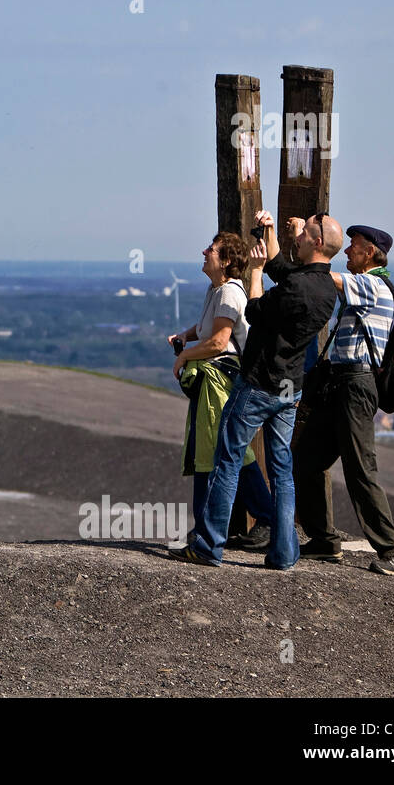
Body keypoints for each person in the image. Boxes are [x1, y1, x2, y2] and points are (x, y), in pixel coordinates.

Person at [169, 210, 342, 569]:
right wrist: (273, 231)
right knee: (281, 470)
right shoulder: (325, 287)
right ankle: (284, 553)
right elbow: (285, 268)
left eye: (305, 232)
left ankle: (208, 545)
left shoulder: (294, 286)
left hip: (260, 382)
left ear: (317, 242)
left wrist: (258, 272)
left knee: (226, 459)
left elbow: (257, 309)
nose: (299, 235)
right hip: (290, 388)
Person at [293, 225, 394, 575]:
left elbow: (328, 279)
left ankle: (393, 550)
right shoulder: (368, 286)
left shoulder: (374, 285)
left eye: (353, 247)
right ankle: (323, 540)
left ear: (370, 253)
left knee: (360, 469)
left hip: (357, 384)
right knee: (307, 460)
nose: (347, 252)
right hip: (339, 383)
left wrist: (312, 246)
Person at [168, 232, 276, 550]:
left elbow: (218, 342)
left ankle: (217, 527)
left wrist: (185, 356)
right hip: (216, 380)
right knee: (224, 450)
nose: (204, 252)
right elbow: (208, 330)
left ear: (226, 260)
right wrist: (185, 337)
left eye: (211, 250)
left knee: (216, 452)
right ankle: (223, 524)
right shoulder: (216, 290)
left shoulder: (229, 292)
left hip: (222, 381)